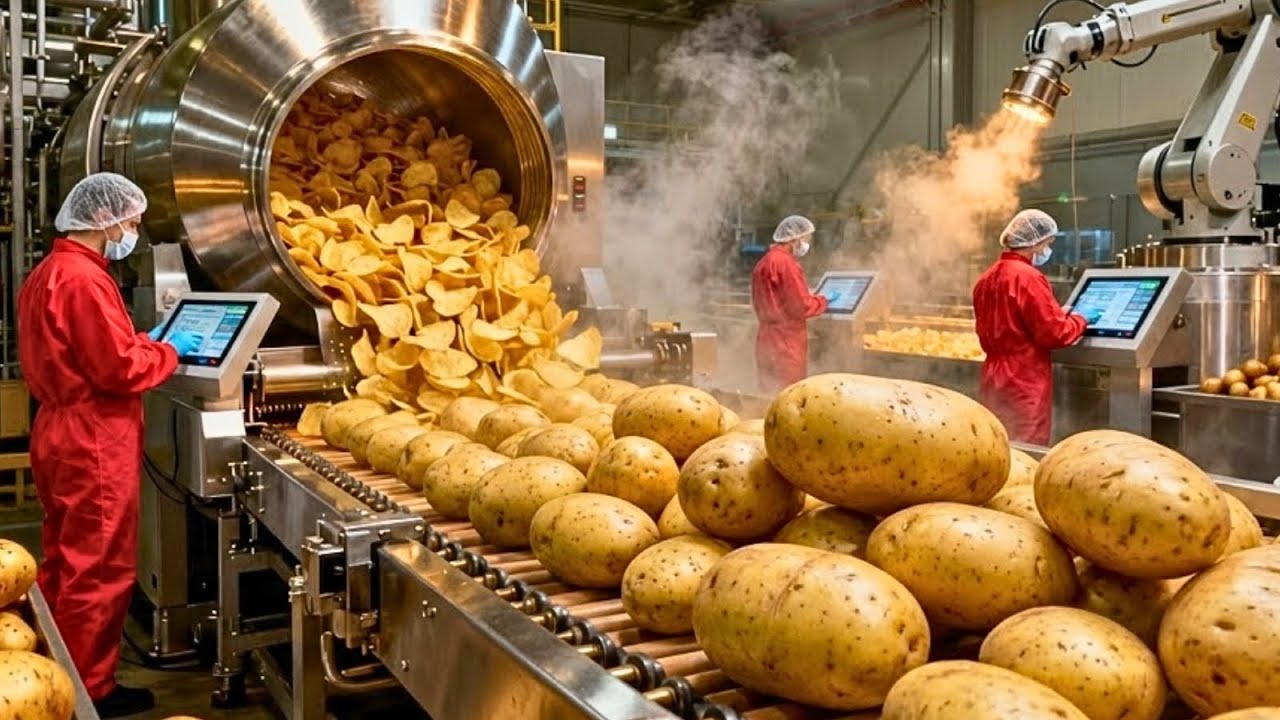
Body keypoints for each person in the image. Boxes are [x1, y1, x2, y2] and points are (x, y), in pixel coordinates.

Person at [17, 173, 204, 718]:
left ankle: (55, 668)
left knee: (65, 560)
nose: (135, 230)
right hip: (93, 438)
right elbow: (118, 368)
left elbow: (94, 348)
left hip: (57, 429)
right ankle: (89, 690)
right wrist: (169, 355)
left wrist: (148, 341)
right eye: (132, 220)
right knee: (98, 568)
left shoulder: (52, 271)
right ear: (107, 219)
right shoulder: (84, 280)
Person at [972, 209, 1101, 446]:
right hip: (1023, 379)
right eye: (1049, 243)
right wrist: (1081, 320)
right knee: (1026, 447)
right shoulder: (1028, 276)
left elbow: (1015, 320)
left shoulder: (986, 277)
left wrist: (1058, 314)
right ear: (1036, 242)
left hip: (993, 375)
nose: (1047, 250)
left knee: (997, 443)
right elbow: (1054, 334)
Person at [751, 215, 831, 393]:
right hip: (786, 342)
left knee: (767, 392)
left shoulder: (762, 263)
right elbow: (800, 306)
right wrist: (823, 301)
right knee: (788, 394)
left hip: (765, 339)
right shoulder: (787, 264)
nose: (806, 244)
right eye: (806, 239)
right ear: (795, 239)